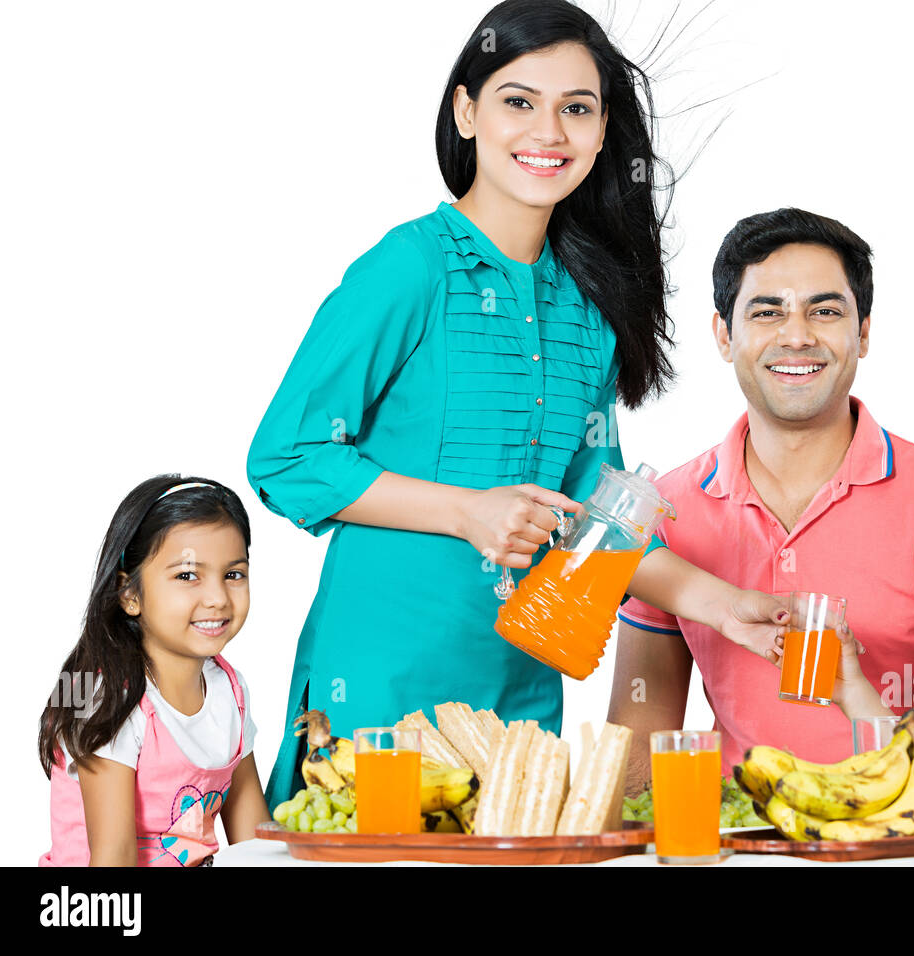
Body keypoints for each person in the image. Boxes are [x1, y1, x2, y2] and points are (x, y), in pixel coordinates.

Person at [247, 0, 784, 809]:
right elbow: (287, 457)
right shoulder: (407, 270)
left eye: (577, 109)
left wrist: (725, 604)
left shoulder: (590, 309)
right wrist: (469, 512)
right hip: (382, 685)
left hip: (519, 692)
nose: (550, 132)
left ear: (603, 133)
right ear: (467, 111)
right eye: (518, 101)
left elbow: (596, 521)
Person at [609, 208, 914, 790]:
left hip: (907, 846)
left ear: (862, 333)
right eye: (767, 312)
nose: (797, 335)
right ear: (725, 336)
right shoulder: (666, 508)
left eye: (825, 311)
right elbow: (640, 740)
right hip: (739, 845)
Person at [38, 477, 269, 866]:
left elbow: (256, 842)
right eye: (187, 575)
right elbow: (113, 857)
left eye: (233, 574)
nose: (217, 598)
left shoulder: (230, 690)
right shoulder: (102, 695)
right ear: (130, 594)